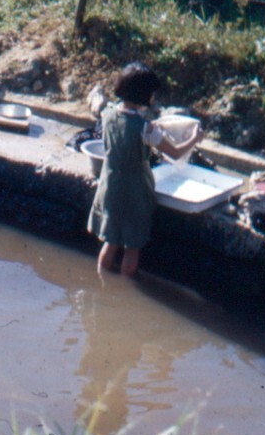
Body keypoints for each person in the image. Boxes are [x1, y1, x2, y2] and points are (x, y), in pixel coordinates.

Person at [87, 62, 202, 277]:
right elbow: (175, 153)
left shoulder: (108, 114)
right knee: (132, 246)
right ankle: (123, 288)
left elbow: (124, 127)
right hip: (135, 192)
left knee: (110, 241)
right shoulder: (146, 128)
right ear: (145, 95)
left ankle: (101, 284)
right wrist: (194, 138)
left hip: (110, 186)